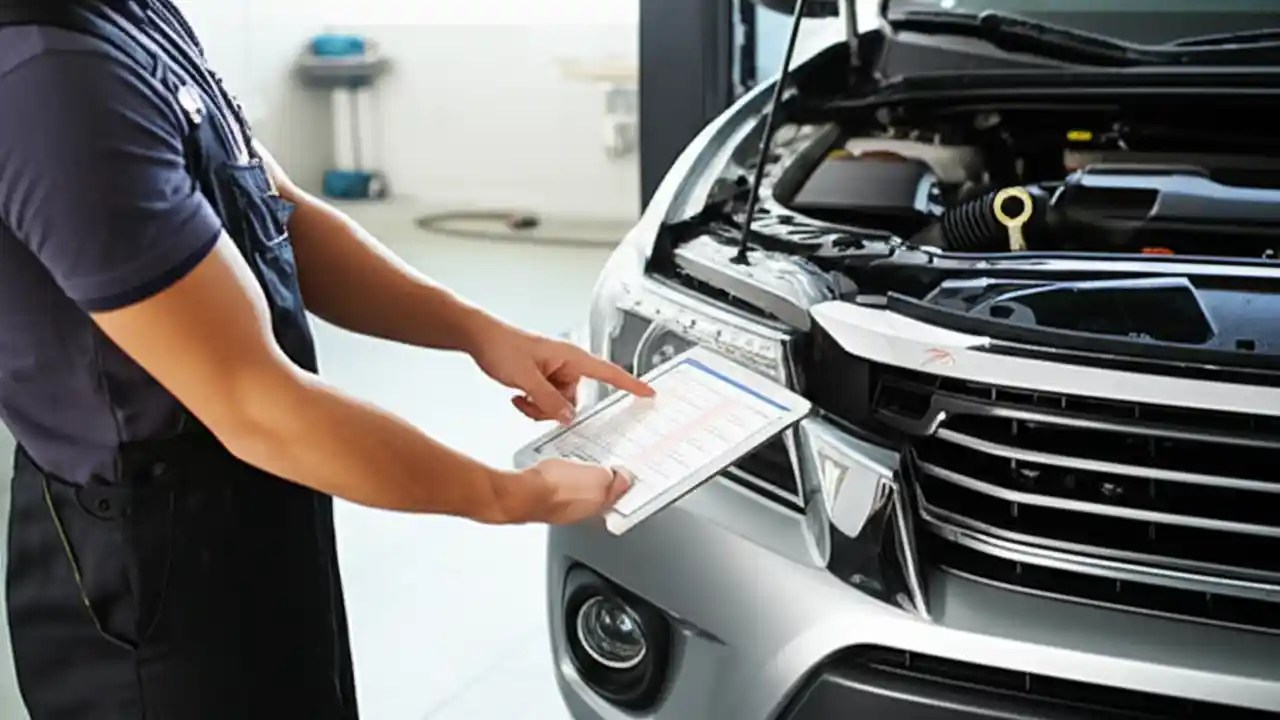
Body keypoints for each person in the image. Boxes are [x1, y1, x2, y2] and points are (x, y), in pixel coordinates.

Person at [0, 1, 652, 717]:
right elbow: (258, 406)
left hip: (254, 498)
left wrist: (475, 331)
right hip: (151, 559)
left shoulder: (131, 16)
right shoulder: (51, 82)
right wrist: (509, 496)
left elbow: (279, 212)